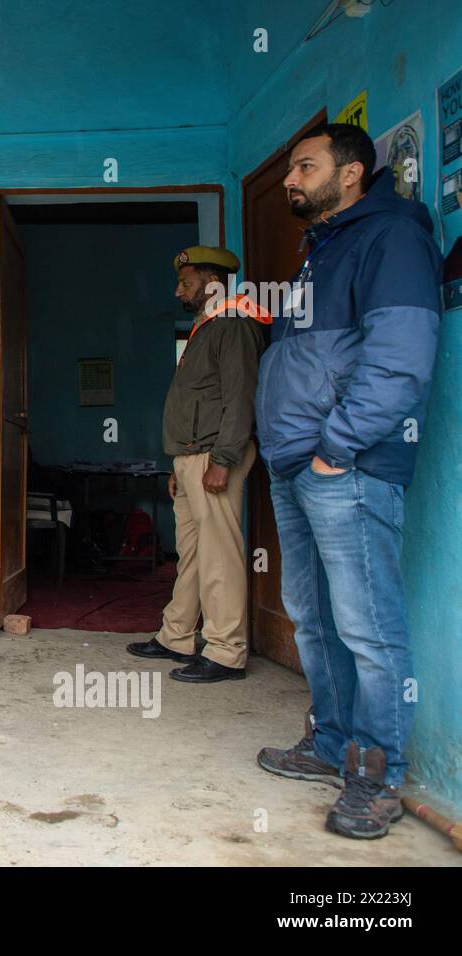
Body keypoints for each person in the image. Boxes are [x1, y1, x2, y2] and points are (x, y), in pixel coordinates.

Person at [254, 123, 442, 839]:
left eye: (306, 165)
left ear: (354, 172)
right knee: (314, 615)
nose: (292, 178)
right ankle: (330, 743)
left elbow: (399, 362)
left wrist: (336, 448)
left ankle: (375, 772)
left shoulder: (389, 239)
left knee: (367, 626)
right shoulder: (320, 249)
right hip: (298, 463)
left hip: (348, 467)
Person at [127, 246, 269, 682]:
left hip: (215, 455)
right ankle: (177, 636)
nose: (178, 290)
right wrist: (179, 463)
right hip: (192, 456)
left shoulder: (234, 324)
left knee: (219, 555)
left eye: (185, 282)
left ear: (213, 281)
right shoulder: (206, 326)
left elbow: (240, 399)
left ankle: (226, 651)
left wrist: (222, 460)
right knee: (190, 552)